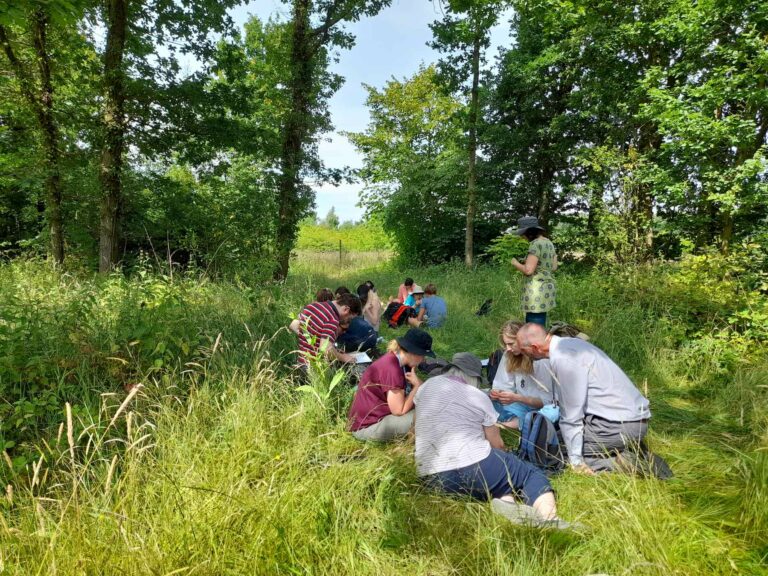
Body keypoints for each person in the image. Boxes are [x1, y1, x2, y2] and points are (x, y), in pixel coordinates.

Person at [414, 352, 568, 528]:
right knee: (530, 474)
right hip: (473, 466)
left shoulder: (426, 386)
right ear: (474, 378)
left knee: (500, 480)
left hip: (429, 477)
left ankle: (507, 504)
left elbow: (415, 429)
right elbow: (497, 444)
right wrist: (508, 457)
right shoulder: (476, 395)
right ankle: (550, 519)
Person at [516, 322, 653, 475]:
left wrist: (576, 461)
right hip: (629, 420)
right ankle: (623, 448)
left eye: (524, 351)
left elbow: (572, 416)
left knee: (552, 449)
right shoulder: (571, 344)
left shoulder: (564, 359)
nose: (523, 355)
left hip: (618, 426)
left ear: (535, 347)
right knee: (557, 439)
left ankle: (624, 462)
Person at [348, 328, 434, 442]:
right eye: (423, 356)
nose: (423, 360)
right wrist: (416, 387)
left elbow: (422, 387)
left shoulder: (399, 360)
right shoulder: (392, 369)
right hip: (366, 428)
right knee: (428, 416)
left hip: (370, 419)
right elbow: (399, 411)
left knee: (428, 404)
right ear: (414, 353)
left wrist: (418, 384)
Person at [489, 321, 556, 429]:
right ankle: (519, 422)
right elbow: (502, 385)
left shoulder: (541, 360)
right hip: (520, 405)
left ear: (522, 340)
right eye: (506, 344)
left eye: (511, 344)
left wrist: (518, 398)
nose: (508, 348)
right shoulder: (509, 354)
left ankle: (517, 422)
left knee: (551, 413)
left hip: (542, 407)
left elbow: (548, 401)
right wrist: (498, 393)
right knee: (483, 399)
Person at [289, 293, 362, 368]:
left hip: (300, 362)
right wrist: (344, 357)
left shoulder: (312, 306)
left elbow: (293, 325)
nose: (348, 322)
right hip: (314, 367)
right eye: (350, 319)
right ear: (346, 309)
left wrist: (311, 340)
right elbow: (326, 350)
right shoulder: (332, 319)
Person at [510, 216, 558, 327]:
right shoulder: (549, 243)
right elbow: (553, 267)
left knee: (533, 325)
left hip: (536, 292)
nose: (522, 237)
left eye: (523, 234)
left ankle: (535, 339)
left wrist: (515, 263)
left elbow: (528, 270)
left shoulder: (535, 244)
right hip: (547, 289)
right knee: (540, 322)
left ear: (529, 232)